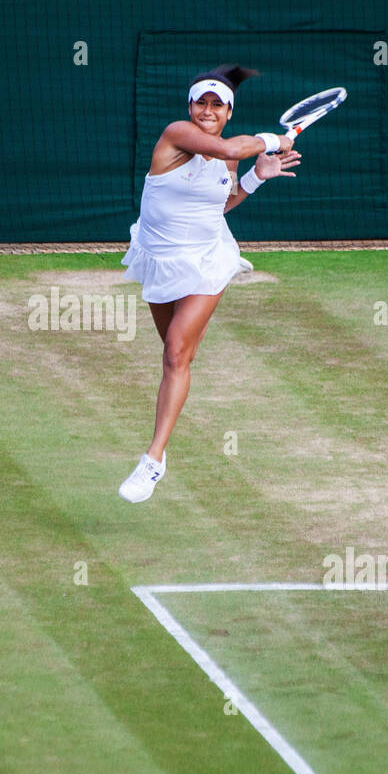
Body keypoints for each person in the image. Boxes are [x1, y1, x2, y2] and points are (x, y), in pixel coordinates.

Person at [118, 65, 301, 503]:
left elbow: (221, 202)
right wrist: (276, 140)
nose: (207, 110)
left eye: (217, 105)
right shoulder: (177, 134)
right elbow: (230, 147)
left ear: (228, 113)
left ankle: (154, 459)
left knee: (175, 352)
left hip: (207, 258)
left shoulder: (230, 155)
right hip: (159, 258)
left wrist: (256, 177)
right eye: (201, 101)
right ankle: (174, 395)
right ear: (189, 107)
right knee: (181, 355)